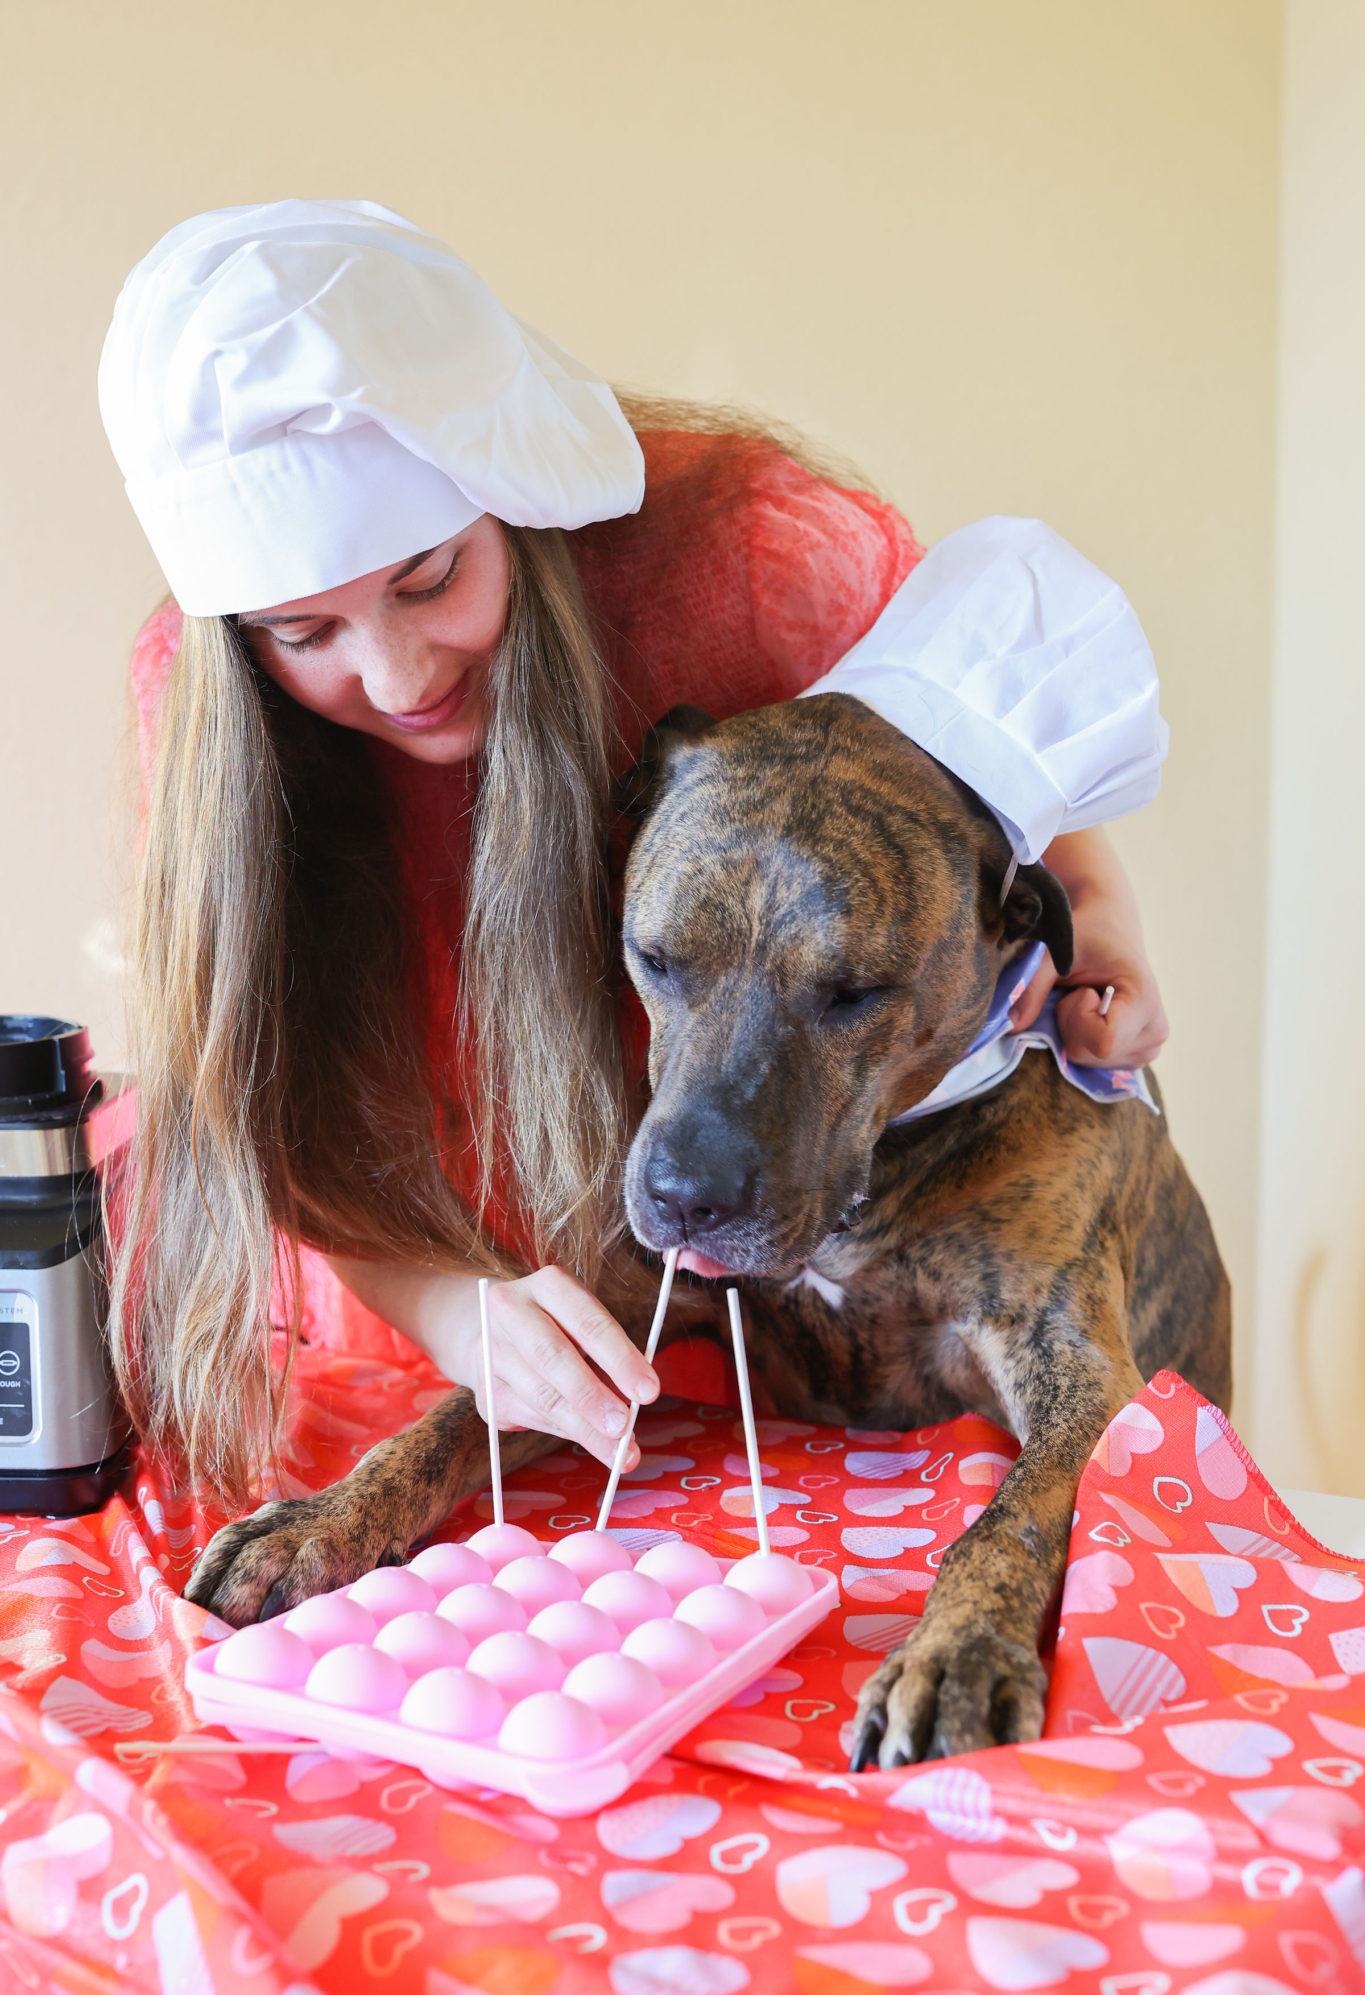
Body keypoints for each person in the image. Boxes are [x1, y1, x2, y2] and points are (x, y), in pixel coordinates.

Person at [98, 200, 1170, 1509]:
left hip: (798, 1301)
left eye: (429, 579)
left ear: (509, 495)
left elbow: (978, 763)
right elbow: (266, 1109)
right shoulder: (207, 715)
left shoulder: (751, 564)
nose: (397, 675)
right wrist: (448, 1312)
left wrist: (1099, 914)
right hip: (445, 1325)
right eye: (301, 632)